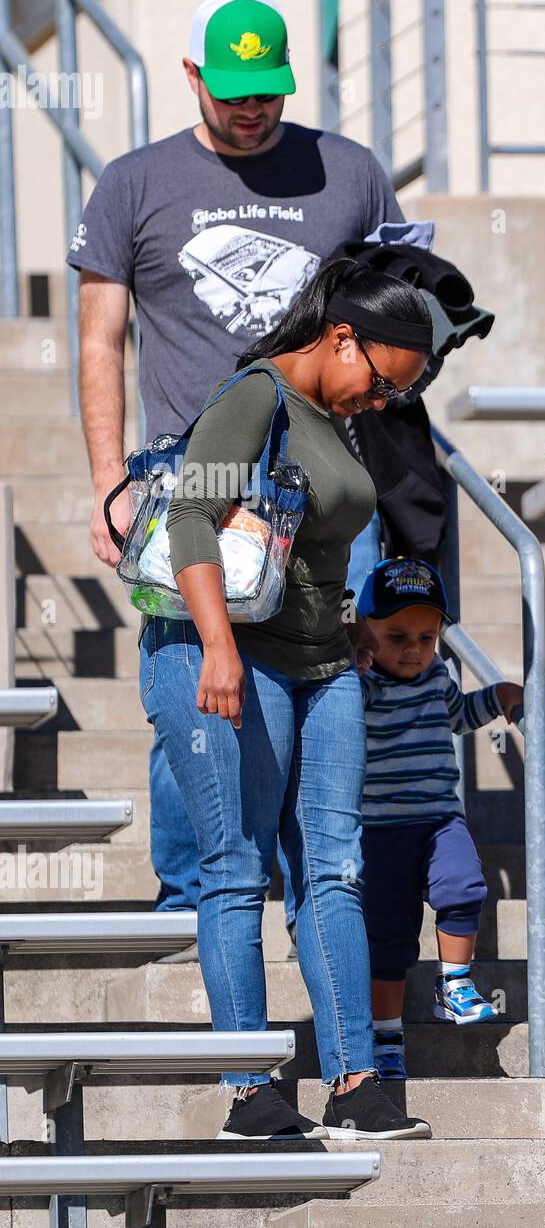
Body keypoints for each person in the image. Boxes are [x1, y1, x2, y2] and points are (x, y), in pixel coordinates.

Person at [67, 0, 403, 918]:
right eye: (233, 91)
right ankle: (192, 902)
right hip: (195, 478)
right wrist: (108, 482)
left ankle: (314, 894)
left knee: (327, 677)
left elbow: (407, 311)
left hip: (322, 481)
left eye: (268, 90)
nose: (252, 108)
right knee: (191, 683)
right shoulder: (134, 183)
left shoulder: (352, 172)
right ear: (192, 78)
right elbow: (100, 341)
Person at [141, 257, 436, 1141]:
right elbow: (193, 514)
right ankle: (249, 1088)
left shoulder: (334, 417)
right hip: (224, 660)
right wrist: (220, 648)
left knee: (334, 871)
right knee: (236, 870)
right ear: (342, 338)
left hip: (321, 665)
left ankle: (355, 1082)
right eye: (381, 383)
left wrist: (343, 623)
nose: (379, 402)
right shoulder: (255, 395)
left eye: (396, 396)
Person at [352, 558, 524, 1079]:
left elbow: (457, 714)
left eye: (427, 638)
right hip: (379, 830)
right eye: (397, 635)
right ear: (365, 631)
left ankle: (455, 982)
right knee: (388, 941)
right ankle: (385, 1037)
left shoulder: (437, 677)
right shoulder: (359, 686)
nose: (413, 650)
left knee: (465, 886)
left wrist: (496, 698)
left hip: (439, 819)